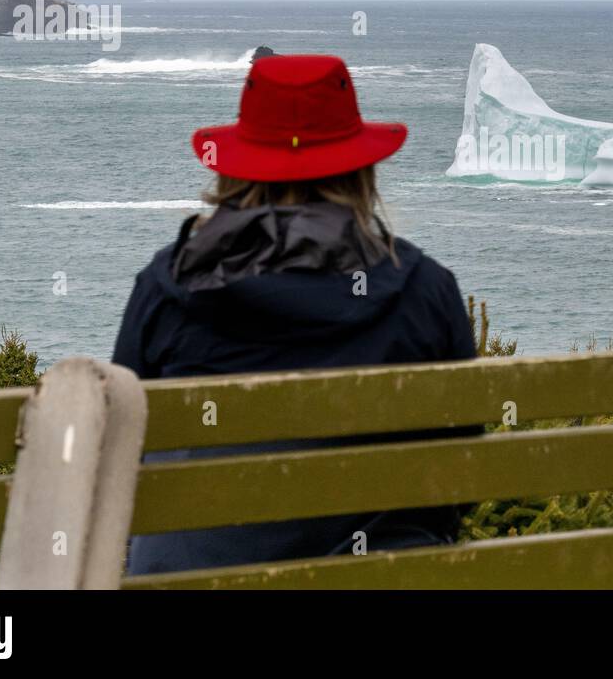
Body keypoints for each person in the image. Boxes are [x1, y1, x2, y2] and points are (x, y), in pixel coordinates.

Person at [112, 54, 477, 574]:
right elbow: (459, 470)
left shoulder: (167, 290)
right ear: (361, 169)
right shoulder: (425, 292)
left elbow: (125, 452)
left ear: (236, 167)